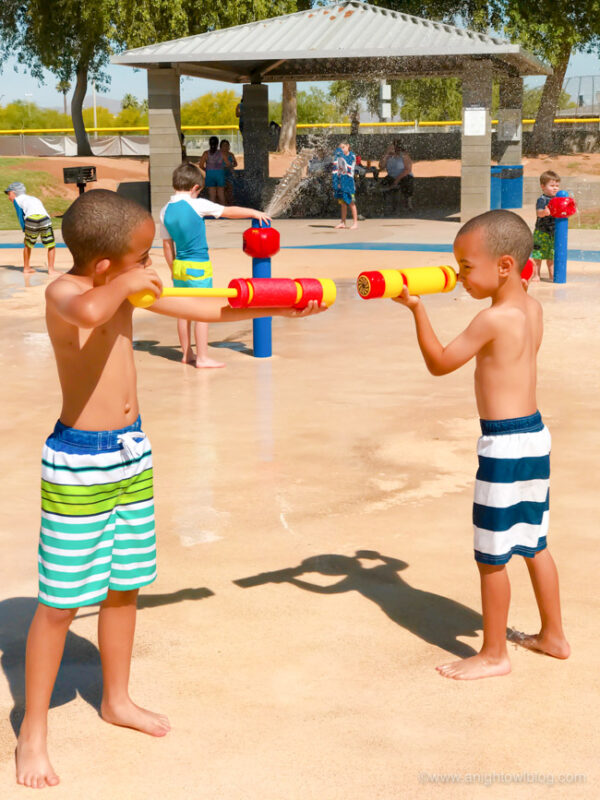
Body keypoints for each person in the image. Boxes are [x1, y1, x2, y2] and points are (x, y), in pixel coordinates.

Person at [15, 188, 325, 789]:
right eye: (140, 257)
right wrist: (124, 286)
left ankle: (118, 699)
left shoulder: (122, 288)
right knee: (59, 603)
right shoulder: (67, 293)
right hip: (79, 463)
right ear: (105, 265)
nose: (150, 265)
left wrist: (274, 308)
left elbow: (201, 306)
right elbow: (87, 313)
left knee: (124, 584)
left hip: (131, 453)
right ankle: (33, 731)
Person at [394, 209, 569, 680]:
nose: (459, 276)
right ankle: (553, 635)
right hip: (535, 436)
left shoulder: (491, 318)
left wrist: (417, 308)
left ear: (506, 266)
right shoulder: (530, 307)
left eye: (467, 267)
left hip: (504, 446)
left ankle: (494, 654)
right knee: (535, 542)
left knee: (491, 555)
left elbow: (440, 362)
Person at [161, 161, 277, 368]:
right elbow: (227, 211)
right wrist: (253, 213)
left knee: (183, 311)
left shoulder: (165, 210)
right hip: (198, 266)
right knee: (202, 311)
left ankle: (187, 354)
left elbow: (167, 247)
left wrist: (172, 269)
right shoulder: (197, 204)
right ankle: (203, 357)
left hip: (179, 267)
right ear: (195, 188)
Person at [4, 181, 57, 276]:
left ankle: (26, 268)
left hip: (31, 218)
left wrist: (25, 229)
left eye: (9, 194)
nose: (9, 197)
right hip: (45, 218)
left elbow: (20, 215)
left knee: (28, 244)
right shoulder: (33, 198)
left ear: (14, 192)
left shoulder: (17, 200)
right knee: (50, 245)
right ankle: (51, 270)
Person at [532, 170, 560, 281]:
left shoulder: (558, 199)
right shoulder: (542, 200)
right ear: (543, 186)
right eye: (552, 185)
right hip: (541, 232)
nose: (555, 188)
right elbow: (539, 213)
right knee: (537, 255)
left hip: (553, 232)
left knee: (551, 256)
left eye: (557, 186)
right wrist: (544, 212)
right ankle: (536, 275)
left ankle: (552, 275)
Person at [379, 142, 414, 211]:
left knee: (407, 182)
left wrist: (396, 181)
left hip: (404, 175)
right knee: (383, 184)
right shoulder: (388, 157)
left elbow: (407, 170)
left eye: (392, 148)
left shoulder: (404, 156)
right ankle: (387, 204)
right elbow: (381, 166)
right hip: (392, 176)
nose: (391, 150)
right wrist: (386, 155)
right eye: (389, 148)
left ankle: (408, 203)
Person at [332, 141, 358, 230]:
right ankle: (342, 222)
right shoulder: (339, 157)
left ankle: (355, 223)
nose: (342, 150)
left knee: (351, 203)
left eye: (343, 147)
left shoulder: (352, 156)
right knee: (343, 203)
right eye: (340, 148)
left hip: (349, 183)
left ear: (348, 146)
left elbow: (347, 165)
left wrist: (339, 155)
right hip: (341, 183)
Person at [198, 136, 225, 204]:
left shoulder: (206, 153)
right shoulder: (221, 153)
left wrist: (206, 169)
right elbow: (228, 164)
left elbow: (201, 165)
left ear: (209, 143)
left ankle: (213, 213)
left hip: (210, 174)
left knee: (212, 196)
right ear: (217, 143)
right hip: (220, 174)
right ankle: (224, 212)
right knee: (221, 195)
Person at [219, 139, 238, 205]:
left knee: (230, 190)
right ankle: (224, 204)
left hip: (229, 173)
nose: (226, 147)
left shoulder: (231, 154)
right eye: (224, 145)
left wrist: (230, 166)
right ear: (220, 147)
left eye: (227, 145)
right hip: (220, 174)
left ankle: (230, 204)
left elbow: (236, 164)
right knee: (222, 190)